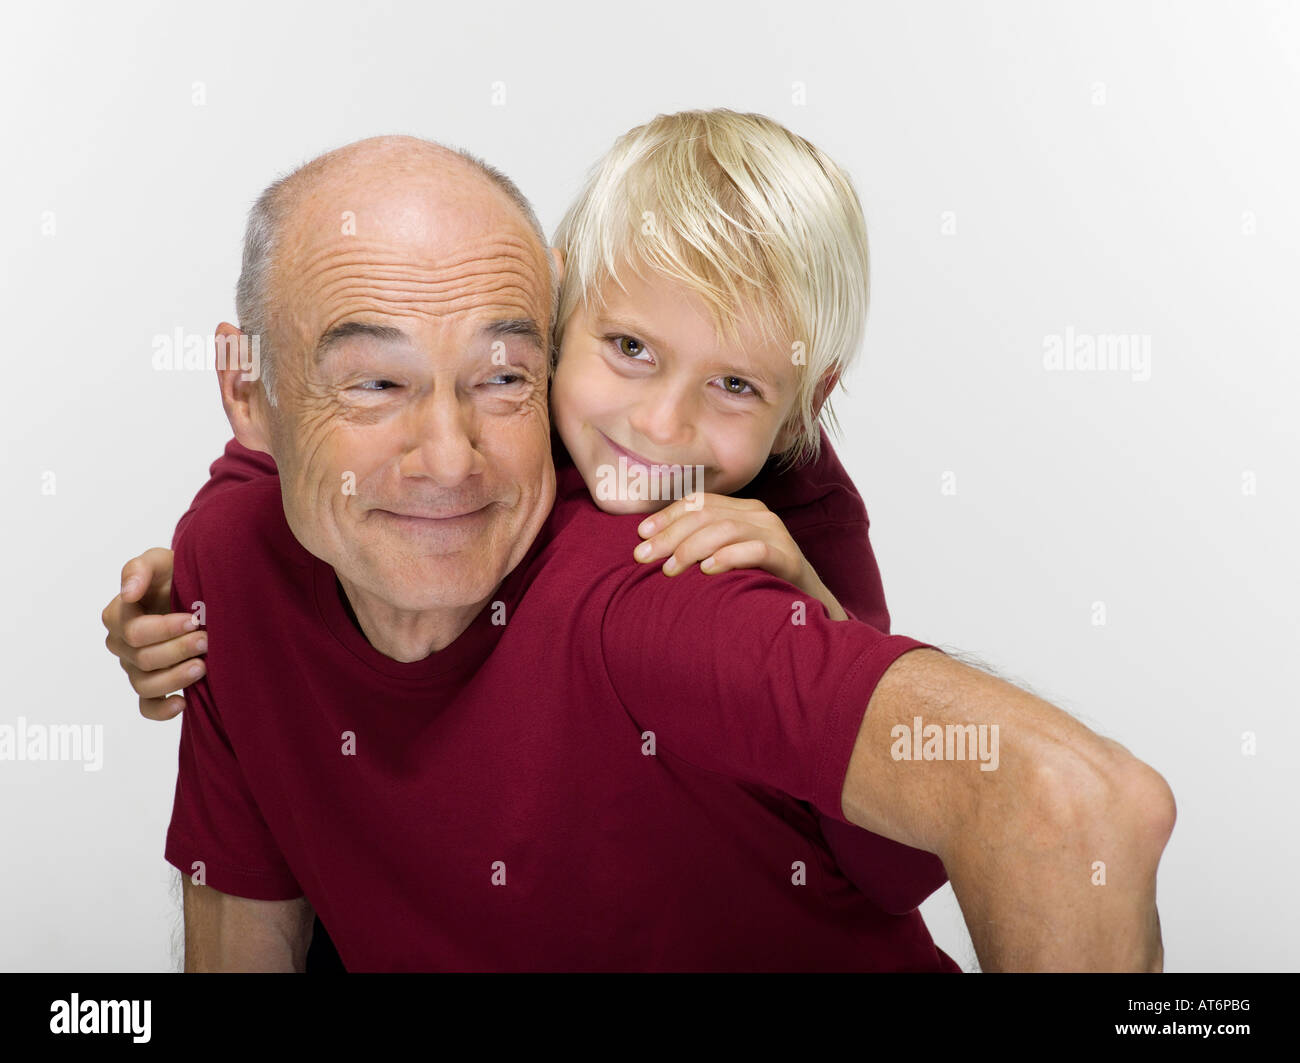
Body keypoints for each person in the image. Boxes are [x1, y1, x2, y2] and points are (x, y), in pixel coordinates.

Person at [102, 132, 1175, 971]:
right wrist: (183, 586)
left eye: (499, 377)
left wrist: (821, 615)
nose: (659, 431)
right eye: (376, 382)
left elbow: (1065, 800)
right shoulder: (234, 557)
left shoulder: (678, 574)